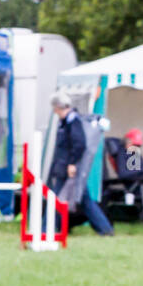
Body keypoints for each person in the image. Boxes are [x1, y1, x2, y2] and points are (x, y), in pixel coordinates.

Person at [49, 92, 113, 236]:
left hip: (69, 168)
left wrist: (72, 164)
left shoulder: (73, 121)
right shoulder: (67, 122)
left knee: (58, 199)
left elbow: (79, 144)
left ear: (58, 107)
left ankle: (47, 228)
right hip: (66, 167)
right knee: (85, 201)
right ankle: (105, 229)